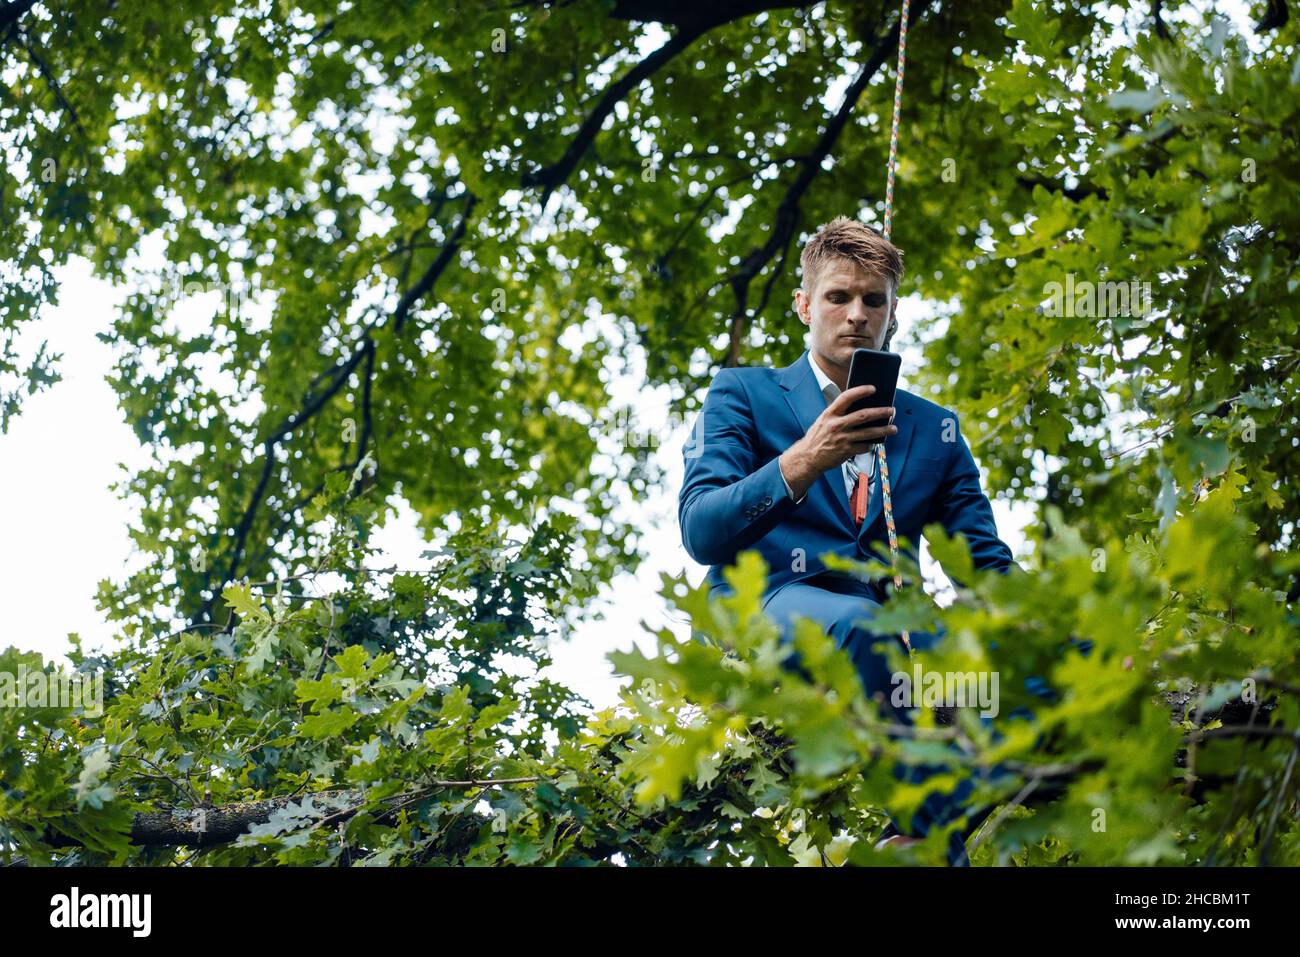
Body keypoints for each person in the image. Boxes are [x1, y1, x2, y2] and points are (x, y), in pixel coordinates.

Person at [678, 215, 1019, 865]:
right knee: (864, 625)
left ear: (893, 313)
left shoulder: (932, 428)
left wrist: (1062, 634)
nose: (856, 313)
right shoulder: (744, 393)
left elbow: (986, 562)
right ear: (805, 304)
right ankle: (927, 839)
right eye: (838, 296)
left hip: (893, 632)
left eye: (873, 299)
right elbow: (701, 528)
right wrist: (806, 457)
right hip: (768, 608)